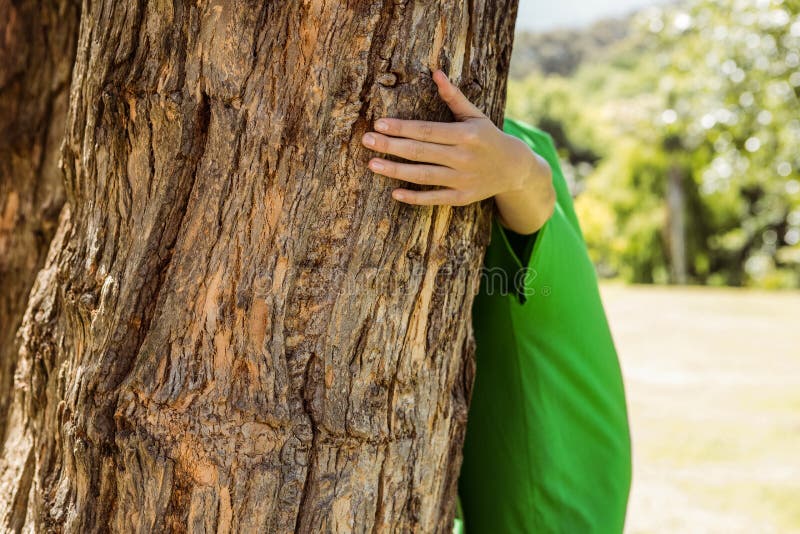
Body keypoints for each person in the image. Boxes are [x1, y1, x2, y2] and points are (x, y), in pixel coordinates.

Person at [361, 69, 632, 533]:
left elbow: (534, 207)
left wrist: (517, 171)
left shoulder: (513, 143)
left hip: (553, 494)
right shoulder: (512, 137)